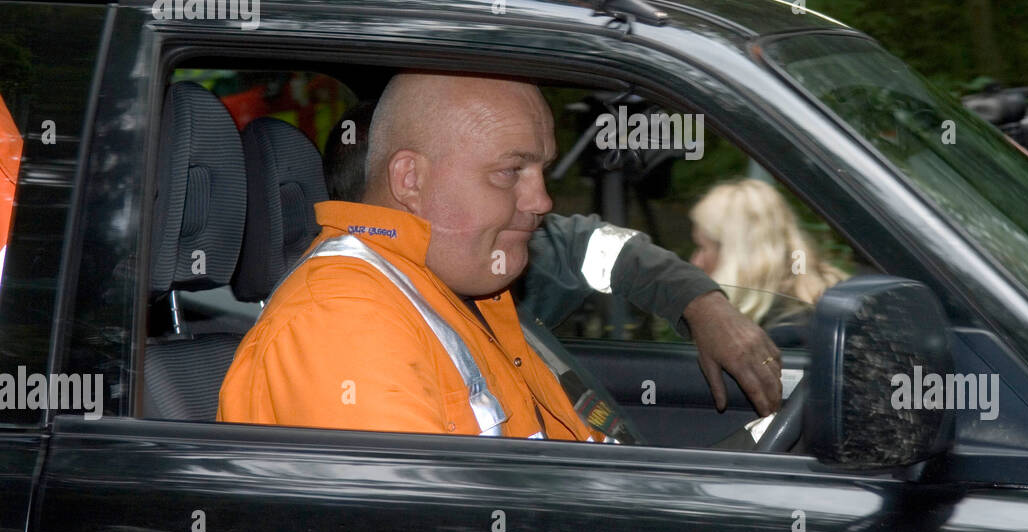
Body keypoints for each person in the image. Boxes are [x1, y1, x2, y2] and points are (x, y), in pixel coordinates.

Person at [218, 74, 783, 438]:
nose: (542, 201)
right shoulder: (340, 325)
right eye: (510, 171)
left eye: (541, 170)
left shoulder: (460, 282)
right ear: (410, 179)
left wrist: (700, 303)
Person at [689, 178, 849, 334]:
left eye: (702, 248)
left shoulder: (779, 337)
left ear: (735, 257)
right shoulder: (825, 306)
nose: (695, 262)